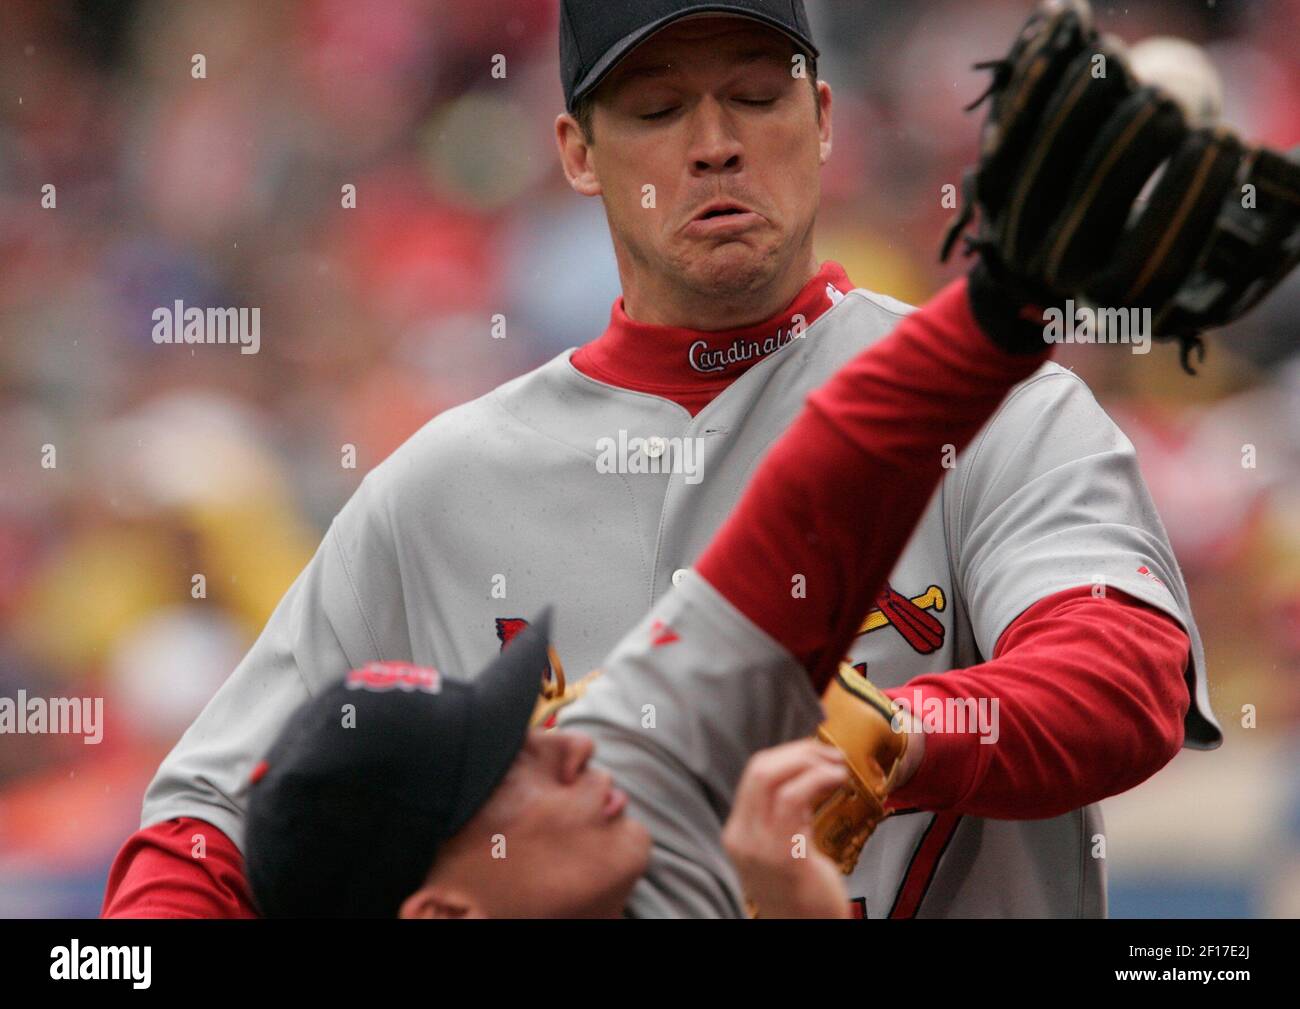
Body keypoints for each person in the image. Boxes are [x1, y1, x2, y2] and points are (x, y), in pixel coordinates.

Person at [103, 0, 1221, 919]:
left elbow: (1128, 675)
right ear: (577, 154)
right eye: (655, 107)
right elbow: (199, 835)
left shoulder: (1002, 409)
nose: (716, 140)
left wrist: (907, 737)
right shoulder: (441, 487)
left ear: (823, 116)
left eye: (755, 92)